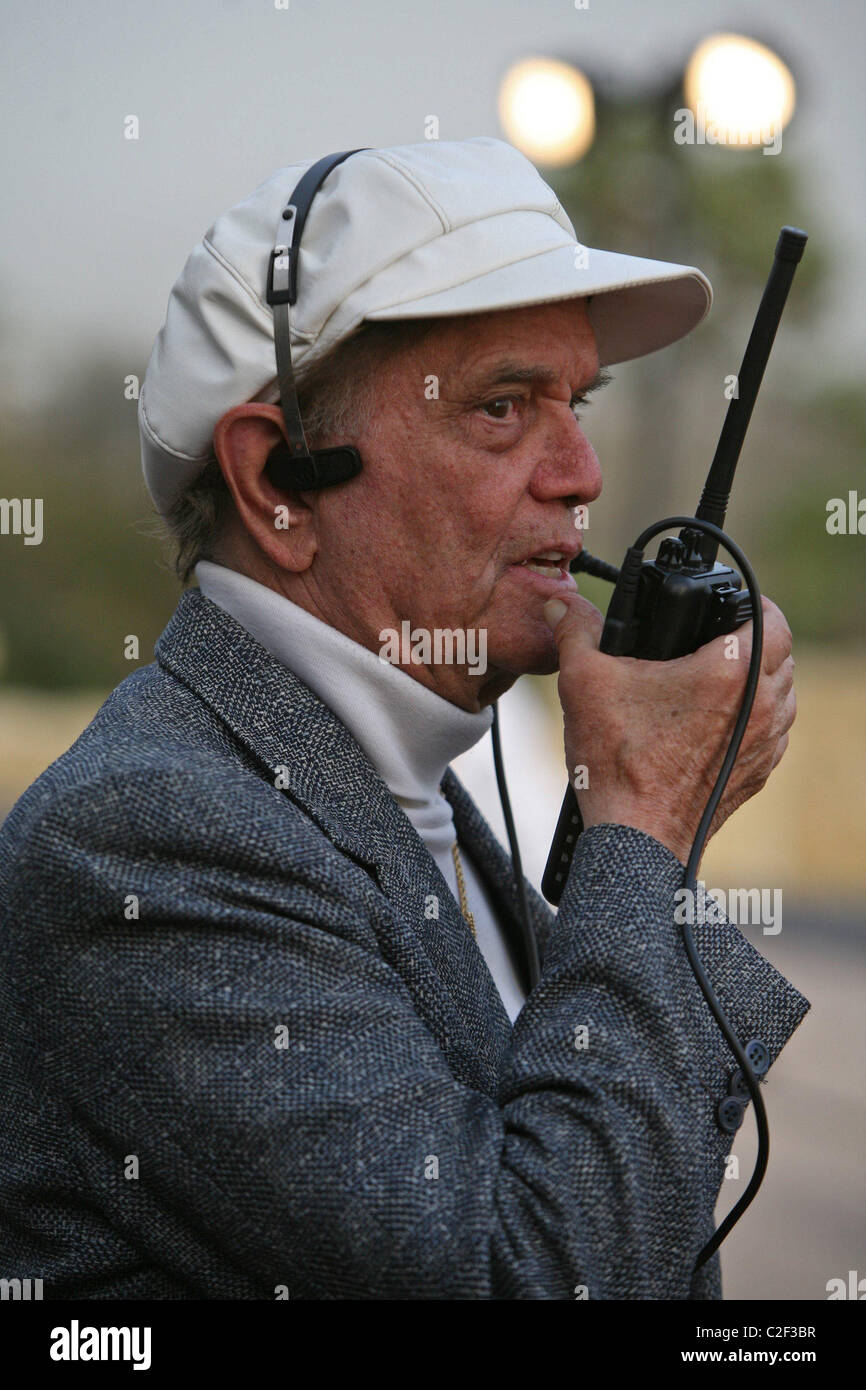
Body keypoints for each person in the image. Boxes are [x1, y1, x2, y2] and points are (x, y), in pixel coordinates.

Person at [0, 137, 807, 1300]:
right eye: (498, 407)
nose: (580, 471)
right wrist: (645, 825)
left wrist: (640, 839)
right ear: (277, 479)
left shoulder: (398, 778)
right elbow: (530, 1281)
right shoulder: (146, 831)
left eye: (573, 403)